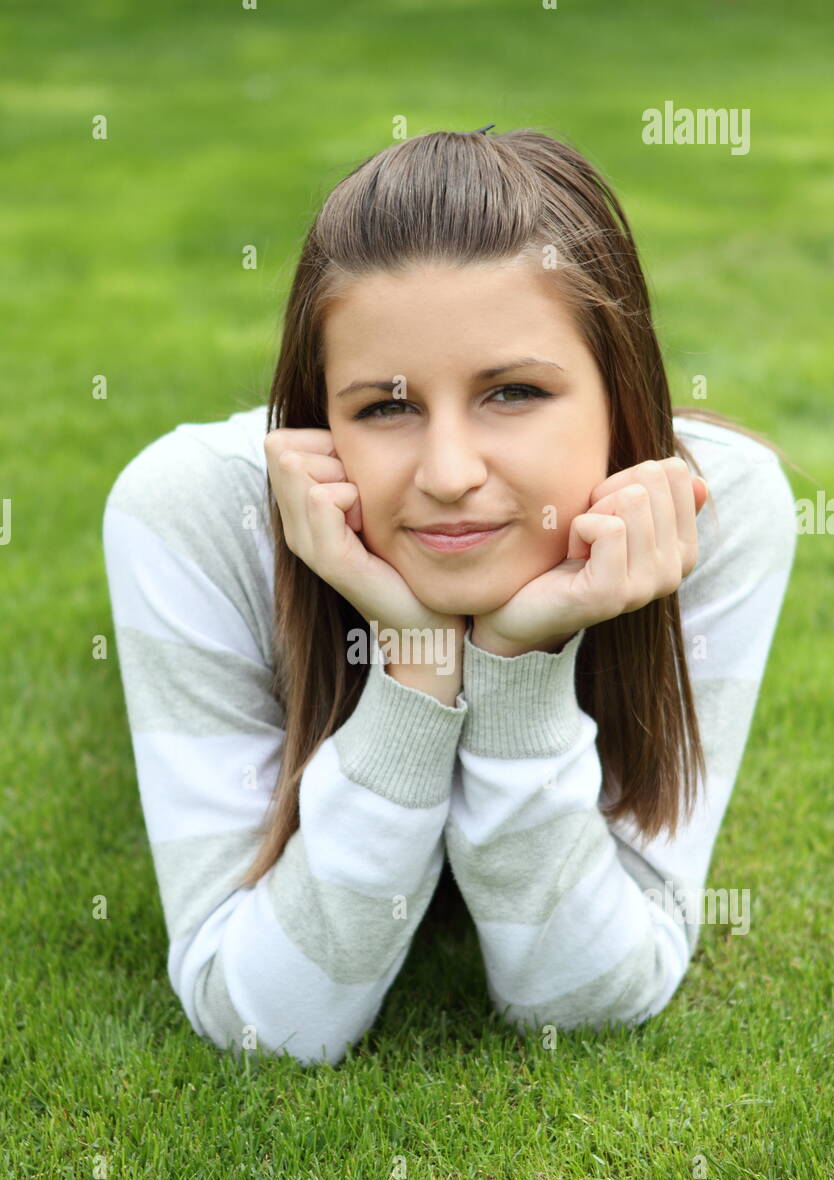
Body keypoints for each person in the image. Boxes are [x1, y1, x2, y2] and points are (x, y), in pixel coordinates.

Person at [101, 127, 797, 1067]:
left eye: (511, 392)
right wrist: (415, 665)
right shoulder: (192, 509)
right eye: (385, 407)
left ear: (623, 394)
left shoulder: (716, 507)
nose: (449, 473)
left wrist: (515, 668)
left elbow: (588, 998)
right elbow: (266, 1018)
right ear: (318, 422)